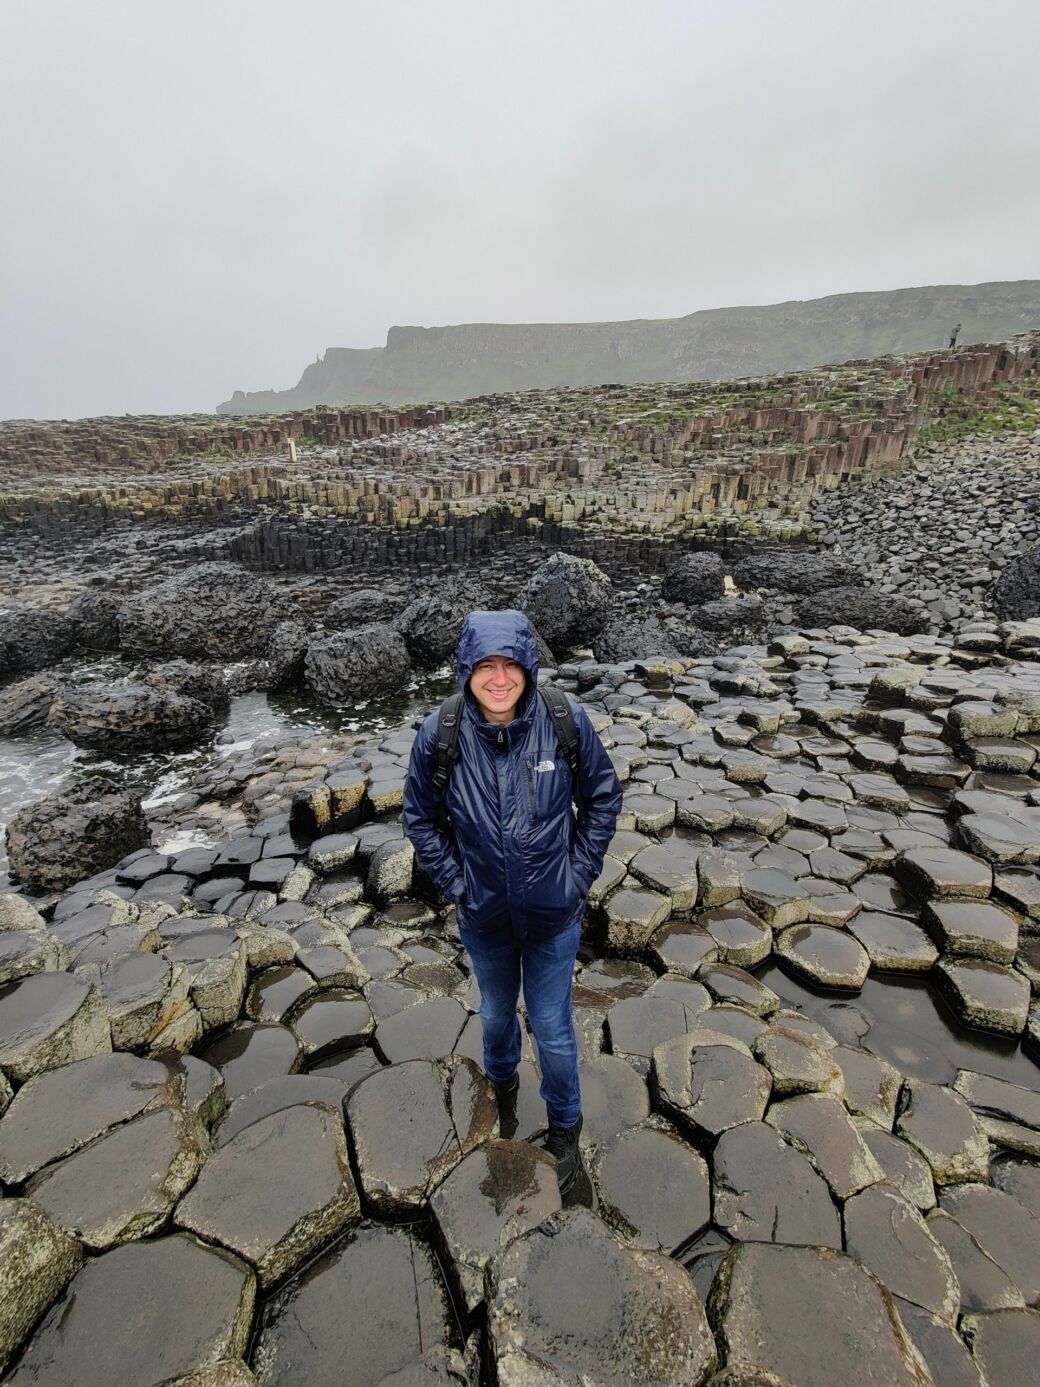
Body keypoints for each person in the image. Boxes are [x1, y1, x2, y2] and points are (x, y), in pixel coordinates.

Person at [402, 609, 622, 1193]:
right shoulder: (440, 733)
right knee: (497, 1015)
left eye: (510, 665)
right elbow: (420, 818)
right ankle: (501, 1096)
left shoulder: (563, 721)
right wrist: (457, 883)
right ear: (466, 670)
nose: (498, 679)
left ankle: (566, 1130)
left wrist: (576, 875)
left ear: (528, 666)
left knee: (552, 1027)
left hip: (555, 917)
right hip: (485, 918)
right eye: (485, 666)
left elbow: (603, 799)